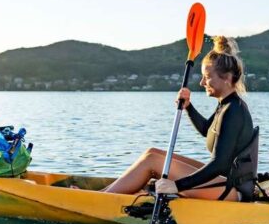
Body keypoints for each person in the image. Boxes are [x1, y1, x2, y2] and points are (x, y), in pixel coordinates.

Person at [102, 36, 258, 201]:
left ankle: (101, 199)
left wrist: (176, 186)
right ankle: (102, 193)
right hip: (225, 180)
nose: (202, 82)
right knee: (152, 152)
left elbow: (218, 164)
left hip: (234, 189)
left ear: (226, 78)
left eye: (207, 76)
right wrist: (188, 107)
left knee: (152, 161)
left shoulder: (234, 110)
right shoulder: (226, 104)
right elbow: (207, 130)